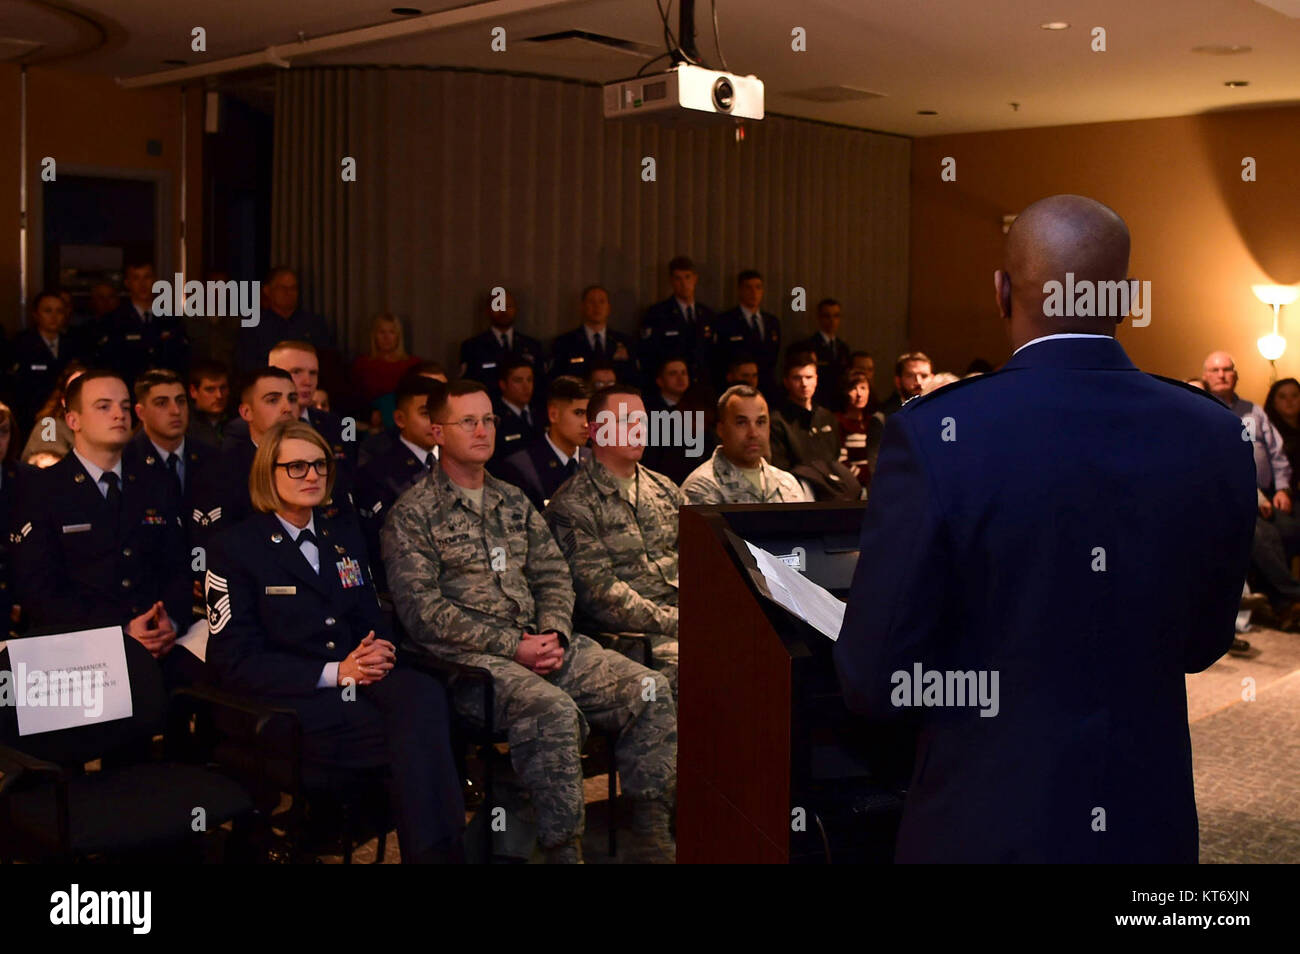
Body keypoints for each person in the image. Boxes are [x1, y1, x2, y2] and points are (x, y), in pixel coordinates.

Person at [835, 194, 1257, 863]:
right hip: (1146, 815)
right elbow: (1204, 640)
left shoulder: (937, 433)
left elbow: (875, 675)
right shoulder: (1212, 431)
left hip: (984, 817)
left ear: (1003, 291)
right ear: (1123, 298)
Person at [382, 381, 676, 863]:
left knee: (649, 691)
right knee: (552, 712)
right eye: (468, 422)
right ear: (437, 431)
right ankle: (563, 851)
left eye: (489, 420)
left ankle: (649, 835)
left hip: (546, 645)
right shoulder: (412, 515)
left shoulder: (513, 501)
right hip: (472, 667)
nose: (483, 430)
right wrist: (513, 645)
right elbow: (423, 614)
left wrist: (554, 632)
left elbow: (554, 575)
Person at [204, 420, 465, 863]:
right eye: (297, 467)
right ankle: (433, 851)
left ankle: (432, 851)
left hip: (357, 675)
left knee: (425, 695)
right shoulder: (235, 548)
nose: (311, 476)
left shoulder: (339, 534)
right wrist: (336, 672)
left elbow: (370, 612)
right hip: (289, 694)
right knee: (415, 736)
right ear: (269, 473)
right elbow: (234, 662)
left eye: (320, 466)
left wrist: (379, 649)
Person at [11, 370, 204, 688]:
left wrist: (171, 619)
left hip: (160, 651)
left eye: (125, 406)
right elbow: (38, 589)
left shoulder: (155, 482)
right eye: (104, 406)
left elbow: (179, 568)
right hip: (80, 661)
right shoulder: (43, 488)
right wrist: (121, 631)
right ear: (73, 420)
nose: (119, 414)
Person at [544, 385, 683, 692]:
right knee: (700, 661)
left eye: (643, 421)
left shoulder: (665, 490)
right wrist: (676, 621)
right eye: (625, 421)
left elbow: (702, 561)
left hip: (683, 621)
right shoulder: (573, 504)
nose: (638, 430)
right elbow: (600, 595)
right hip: (630, 638)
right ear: (595, 431)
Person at [353, 375, 446, 595]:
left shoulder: (459, 460)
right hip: (409, 585)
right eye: (425, 413)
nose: (435, 422)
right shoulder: (378, 472)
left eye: (439, 413)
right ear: (400, 419)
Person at [190, 367, 300, 550]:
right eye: (273, 400)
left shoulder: (318, 466)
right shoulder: (222, 473)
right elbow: (211, 546)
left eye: (292, 399)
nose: (287, 408)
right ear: (246, 412)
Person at [1203, 352, 1297, 555]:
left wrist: (1283, 489)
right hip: (1230, 498)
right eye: (1215, 370)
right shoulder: (1202, 410)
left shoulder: (1254, 410)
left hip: (1269, 493)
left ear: (1235, 376)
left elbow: (1276, 452)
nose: (1222, 375)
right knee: (1261, 537)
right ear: (1206, 376)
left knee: (1290, 531)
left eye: (1227, 369)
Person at [681, 385, 807, 504]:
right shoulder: (700, 488)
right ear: (721, 430)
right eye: (741, 423)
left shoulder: (787, 483)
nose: (753, 433)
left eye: (760, 422)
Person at [495, 376, 590, 512]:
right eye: (578, 413)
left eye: (590, 414)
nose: (587, 424)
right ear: (553, 415)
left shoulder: (596, 460)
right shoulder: (522, 468)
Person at [124, 368, 216, 509]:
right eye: (162, 403)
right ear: (141, 413)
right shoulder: (125, 461)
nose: (176, 411)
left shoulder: (210, 457)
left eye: (180, 401)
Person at [234, 267, 336, 374]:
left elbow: (328, 361)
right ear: (267, 290)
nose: (289, 293)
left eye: (293, 288)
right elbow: (246, 365)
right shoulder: (253, 326)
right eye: (283, 288)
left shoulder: (314, 323)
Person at [100, 262, 190, 383]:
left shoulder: (171, 320)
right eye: (136, 278)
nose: (142, 284)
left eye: (147, 277)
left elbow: (181, 360)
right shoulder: (113, 321)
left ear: (155, 281)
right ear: (127, 283)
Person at [639, 256, 716, 389]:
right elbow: (650, 355)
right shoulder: (658, 314)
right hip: (670, 387)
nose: (684, 283)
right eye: (678, 278)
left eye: (687, 277)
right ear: (671, 281)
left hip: (702, 387)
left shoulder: (707, 314)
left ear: (695, 279)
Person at [9, 291, 79, 431]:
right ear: (36, 314)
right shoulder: (20, 345)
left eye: (59, 311)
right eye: (48, 311)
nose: (54, 317)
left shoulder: (75, 344)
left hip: (67, 417)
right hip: (30, 418)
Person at [458, 291, 545, 401]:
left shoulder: (532, 345)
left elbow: (541, 383)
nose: (503, 311)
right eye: (498, 305)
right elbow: (467, 385)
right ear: (488, 310)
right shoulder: (472, 346)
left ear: (516, 309)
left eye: (508, 306)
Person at [768, 350, 842, 471]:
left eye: (809, 377)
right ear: (786, 382)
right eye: (797, 378)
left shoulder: (827, 416)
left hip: (831, 484)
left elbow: (836, 457)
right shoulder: (777, 421)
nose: (804, 383)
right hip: (795, 485)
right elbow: (780, 468)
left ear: (816, 380)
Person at [713, 270, 781, 399]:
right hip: (737, 390)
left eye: (758, 287)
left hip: (766, 390)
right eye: (748, 287)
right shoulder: (726, 320)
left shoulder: (772, 322)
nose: (753, 292)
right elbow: (719, 358)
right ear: (739, 290)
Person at [550, 285, 638, 384]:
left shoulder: (625, 342)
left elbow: (633, 378)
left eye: (601, 302)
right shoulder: (565, 342)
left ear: (609, 307)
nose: (597, 307)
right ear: (582, 306)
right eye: (591, 302)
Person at [352, 313, 421, 419]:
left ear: (398, 336)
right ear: (374, 336)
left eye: (391, 332)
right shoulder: (362, 364)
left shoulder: (413, 364)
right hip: (370, 421)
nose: (386, 337)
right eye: (382, 332)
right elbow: (354, 399)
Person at [790, 298, 852, 410]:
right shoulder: (808, 346)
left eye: (836, 316)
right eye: (827, 316)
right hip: (817, 401)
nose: (832, 320)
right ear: (819, 318)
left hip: (839, 404)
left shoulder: (843, 348)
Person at [20, 361, 86, 464]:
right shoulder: (49, 425)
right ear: (64, 401)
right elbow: (46, 468)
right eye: (75, 390)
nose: (82, 396)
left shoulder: (106, 427)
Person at [489, 355, 542, 470]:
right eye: (518, 380)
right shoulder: (495, 417)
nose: (526, 386)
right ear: (503, 384)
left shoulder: (541, 412)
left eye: (529, 380)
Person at [835, 369, 884, 490]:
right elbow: (841, 461)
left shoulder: (874, 421)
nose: (859, 394)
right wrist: (867, 478)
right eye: (853, 388)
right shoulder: (838, 421)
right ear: (845, 392)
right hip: (854, 485)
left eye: (863, 388)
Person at [1264, 376, 1300, 486]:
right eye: (1282, 396)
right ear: (1274, 401)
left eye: (1294, 396)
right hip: (1280, 493)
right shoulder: (1267, 431)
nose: (1289, 401)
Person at [187, 359, 232, 448]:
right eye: (210, 389)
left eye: (223, 388)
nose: (219, 395)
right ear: (193, 391)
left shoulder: (240, 423)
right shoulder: (184, 425)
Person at [878, 351, 932, 417]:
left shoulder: (941, 411)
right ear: (898, 381)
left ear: (933, 378)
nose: (918, 382)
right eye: (910, 376)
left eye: (924, 376)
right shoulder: (883, 416)